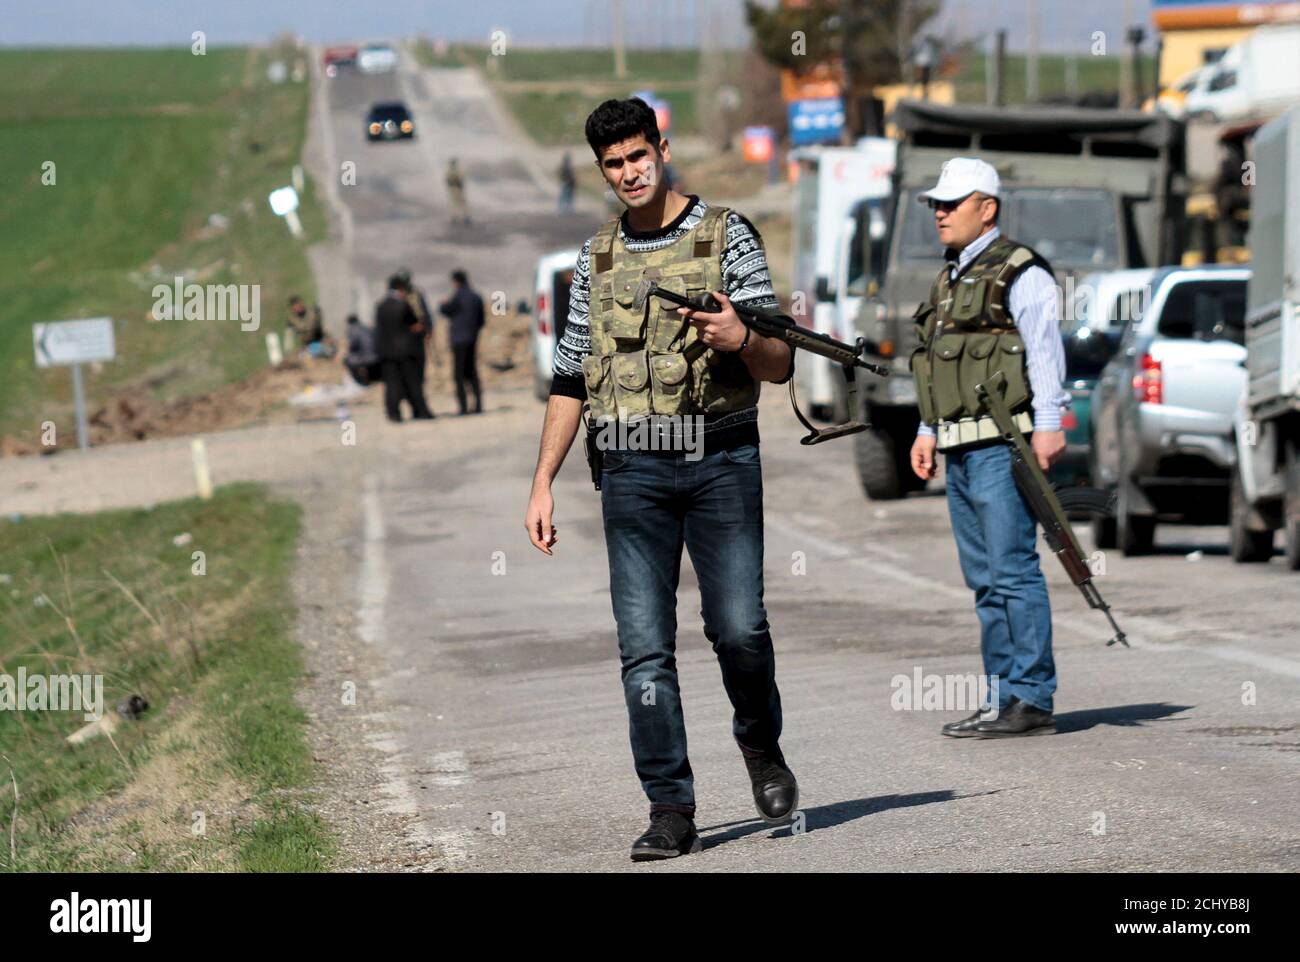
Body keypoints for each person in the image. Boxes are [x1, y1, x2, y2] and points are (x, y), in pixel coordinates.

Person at [524, 97, 798, 861]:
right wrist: (542, 481)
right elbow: (571, 376)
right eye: (613, 164)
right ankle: (670, 805)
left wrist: (743, 336)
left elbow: (781, 365)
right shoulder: (595, 259)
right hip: (633, 469)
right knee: (644, 647)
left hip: (720, 458)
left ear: (662, 149)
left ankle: (760, 743)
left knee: (738, 627)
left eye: (638, 157)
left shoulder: (726, 235)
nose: (628, 174)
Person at [907, 157, 1070, 739]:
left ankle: (1030, 696)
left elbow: (1044, 351)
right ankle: (1001, 698)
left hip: (1004, 446)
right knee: (983, 578)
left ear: (988, 208)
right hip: (958, 447)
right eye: (937, 205)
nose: (941, 213)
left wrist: (1049, 423)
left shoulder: (1021, 271)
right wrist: (927, 431)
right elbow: (933, 365)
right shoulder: (951, 276)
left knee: (1011, 570)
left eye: (952, 203)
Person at [375, 274, 435, 422]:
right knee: (413, 383)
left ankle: (393, 414)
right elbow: (414, 323)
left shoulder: (381, 306)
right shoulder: (403, 304)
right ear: (401, 288)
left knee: (392, 384)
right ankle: (420, 411)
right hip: (405, 351)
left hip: (387, 352)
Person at [438, 269, 485, 415]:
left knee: (458, 374)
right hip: (472, 339)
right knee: (472, 372)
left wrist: (443, 304)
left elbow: (445, 310)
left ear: (456, 282)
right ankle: (477, 405)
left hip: (459, 341)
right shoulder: (476, 296)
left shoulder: (457, 297)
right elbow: (481, 321)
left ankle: (463, 407)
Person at [342, 313, 380, 386]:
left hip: (367, 358)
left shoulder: (353, 329)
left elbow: (353, 346)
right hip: (377, 356)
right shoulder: (366, 327)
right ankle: (372, 377)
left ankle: (360, 382)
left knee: (348, 360)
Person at [446, 158, 470, 226]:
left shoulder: (449, 171)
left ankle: (456, 217)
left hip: (453, 189)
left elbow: (447, 181)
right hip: (457, 188)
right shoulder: (457, 171)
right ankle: (464, 217)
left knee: (455, 204)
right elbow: (461, 180)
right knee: (461, 203)